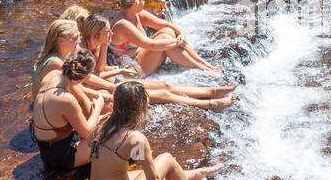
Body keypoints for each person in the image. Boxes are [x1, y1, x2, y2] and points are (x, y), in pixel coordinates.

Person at [86, 82, 219, 180]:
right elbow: (153, 179)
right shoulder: (135, 138)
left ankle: (194, 174)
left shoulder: (102, 123)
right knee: (166, 159)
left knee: (145, 171)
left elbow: (90, 143)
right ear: (141, 107)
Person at [80, 13, 235, 110]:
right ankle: (211, 104)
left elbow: (101, 69)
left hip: (115, 81)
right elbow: (91, 78)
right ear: (96, 36)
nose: (112, 33)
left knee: (165, 86)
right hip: (108, 88)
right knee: (163, 94)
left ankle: (212, 92)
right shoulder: (83, 53)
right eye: (108, 32)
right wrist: (118, 72)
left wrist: (106, 46)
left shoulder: (99, 44)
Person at [108, 0, 220, 75]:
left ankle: (203, 63)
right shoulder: (123, 24)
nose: (145, 3)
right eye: (144, 0)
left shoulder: (137, 14)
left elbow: (166, 24)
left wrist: (180, 34)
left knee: (168, 31)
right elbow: (150, 45)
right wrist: (176, 42)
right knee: (166, 38)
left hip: (139, 56)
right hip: (129, 69)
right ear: (137, 3)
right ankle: (200, 67)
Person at [31, 50, 104, 173]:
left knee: (104, 120)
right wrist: (98, 107)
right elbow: (87, 133)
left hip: (47, 150)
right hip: (60, 158)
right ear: (85, 77)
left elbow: (82, 97)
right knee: (111, 138)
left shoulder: (54, 74)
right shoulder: (66, 100)